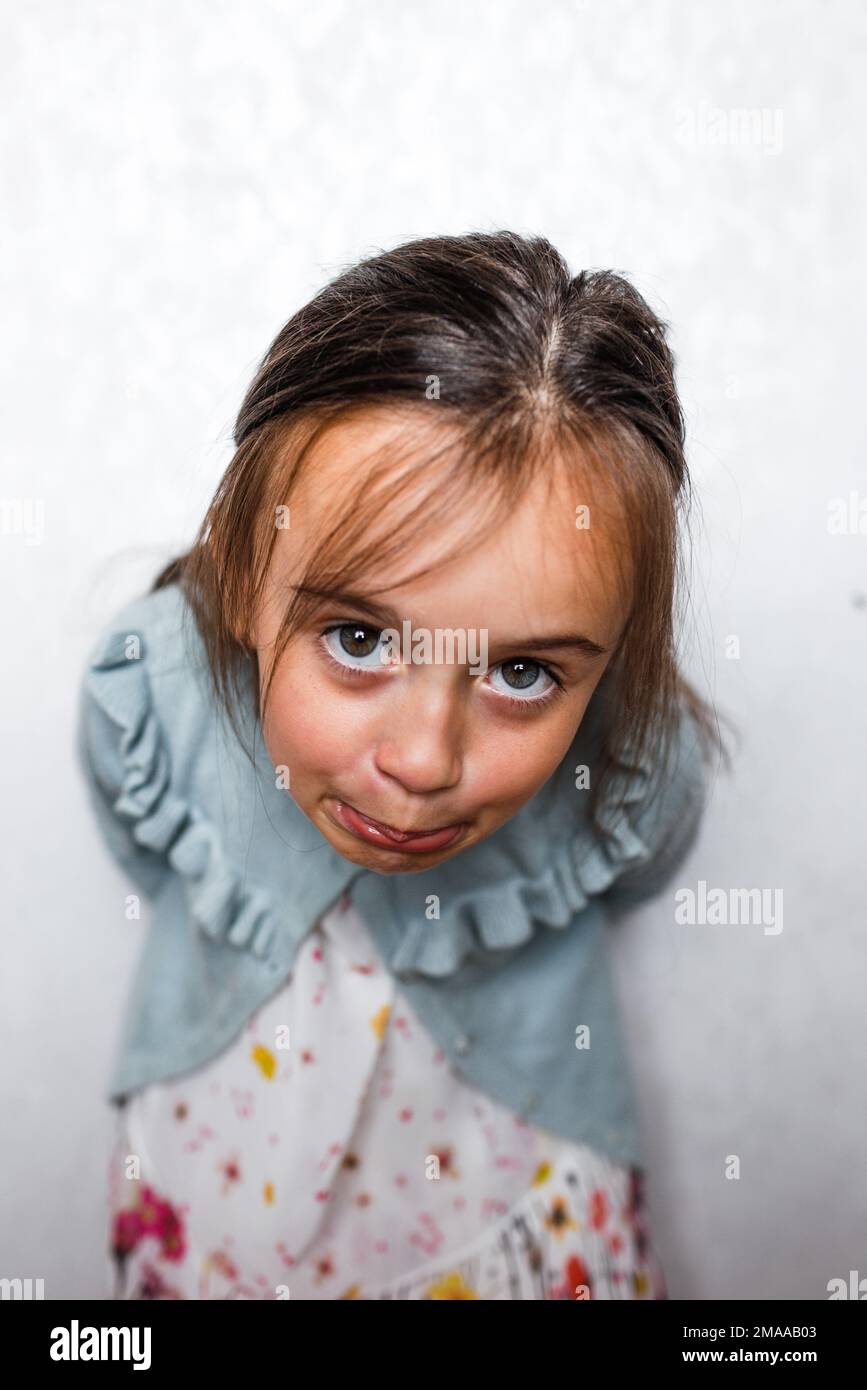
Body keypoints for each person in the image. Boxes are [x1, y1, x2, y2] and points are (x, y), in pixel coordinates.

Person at [78, 229, 728, 1300]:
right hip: (220, 1184)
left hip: (516, 1191)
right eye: (361, 639)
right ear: (243, 572)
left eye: (522, 670)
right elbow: (136, 833)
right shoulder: (151, 689)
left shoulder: (627, 755)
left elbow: (645, 857)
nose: (425, 762)